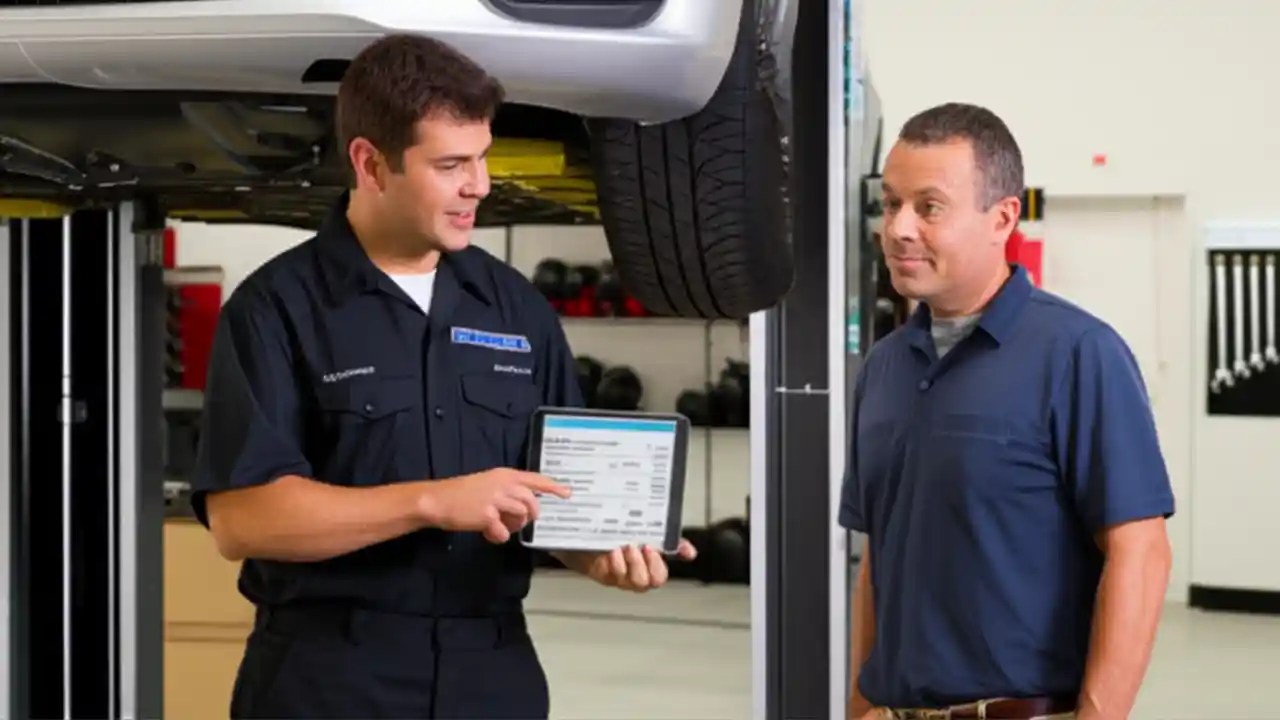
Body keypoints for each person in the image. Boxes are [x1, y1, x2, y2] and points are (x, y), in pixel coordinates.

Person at [190, 33, 695, 720]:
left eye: (482, 158)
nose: (479, 186)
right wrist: (431, 501)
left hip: (491, 673)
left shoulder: (517, 308)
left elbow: (552, 498)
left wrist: (597, 553)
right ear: (370, 164)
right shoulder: (277, 308)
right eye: (452, 164)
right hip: (328, 679)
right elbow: (241, 520)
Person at [840, 103, 1175, 720]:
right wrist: (861, 704)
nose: (899, 228)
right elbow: (879, 559)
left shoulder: (1079, 354)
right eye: (890, 204)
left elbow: (1141, 551)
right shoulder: (884, 367)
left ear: (1003, 218)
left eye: (929, 206)